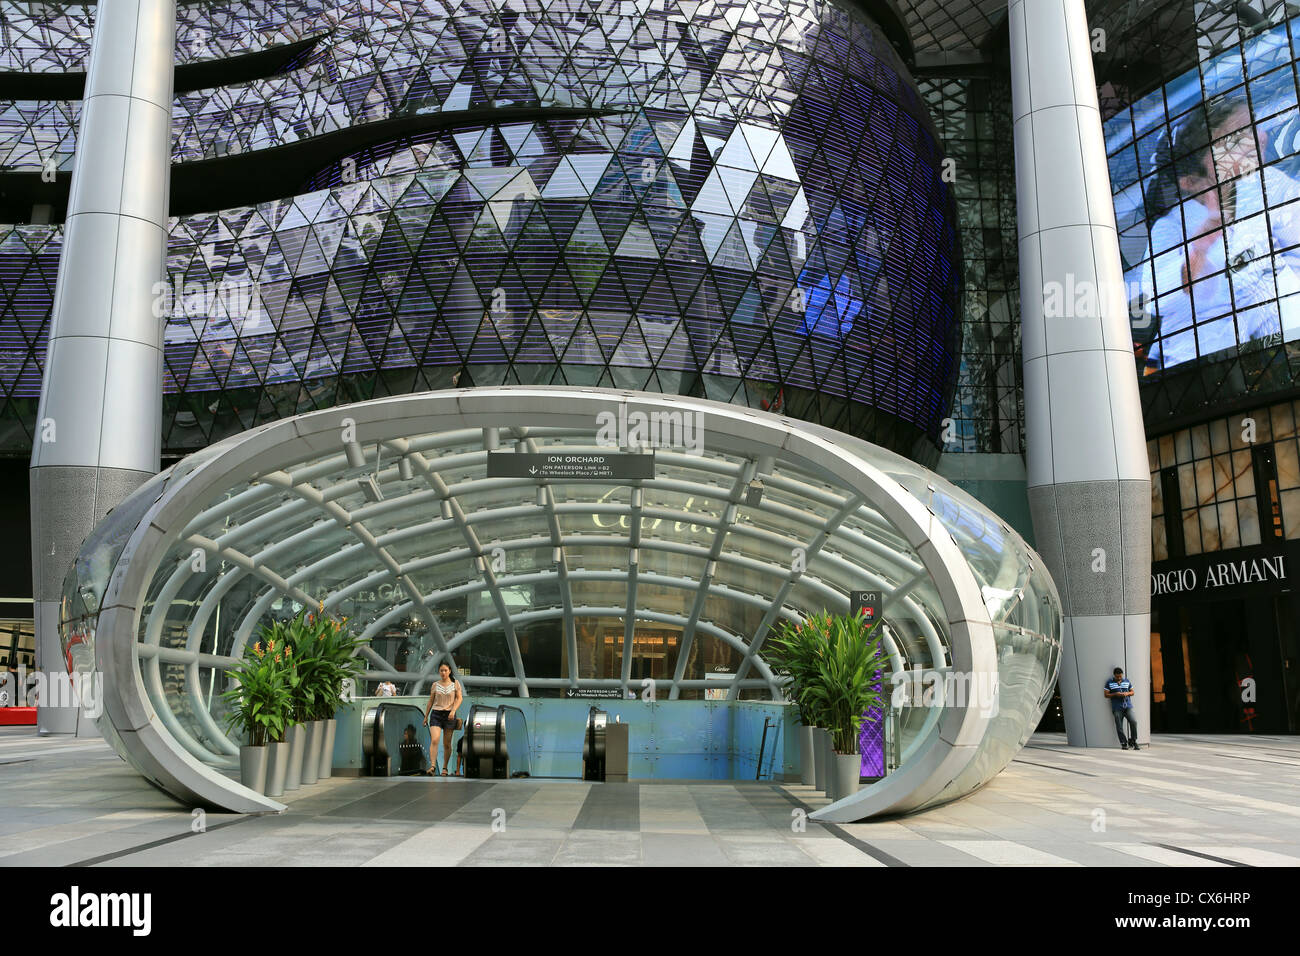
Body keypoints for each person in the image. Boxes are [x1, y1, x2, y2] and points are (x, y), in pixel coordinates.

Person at [422, 662, 463, 775]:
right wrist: (426, 716)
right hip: (436, 714)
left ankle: (444, 768)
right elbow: (431, 701)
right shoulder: (435, 685)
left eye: (445, 670)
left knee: (447, 743)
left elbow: (459, 699)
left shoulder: (455, 684)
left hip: (450, 715)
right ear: (439, 672)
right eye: (441, 670)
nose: (443, 673)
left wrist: (453, 710)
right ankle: (433, 766)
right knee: (435, 739)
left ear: (449, 671)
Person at [1105, 666, 1139, 751]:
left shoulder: (1126, 681)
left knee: (1133, 721)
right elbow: (1106, 695)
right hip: (1117, 708)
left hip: (1128, 707)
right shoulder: (1109, 682)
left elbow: (1132, 692)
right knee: (1119, 726)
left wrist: (1127, 693)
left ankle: (1133, 740)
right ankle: (1123, 743)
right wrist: (1116, 694)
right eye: (1117, 676)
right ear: (1114, 675)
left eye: (1120, 676)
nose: (1119, 678)